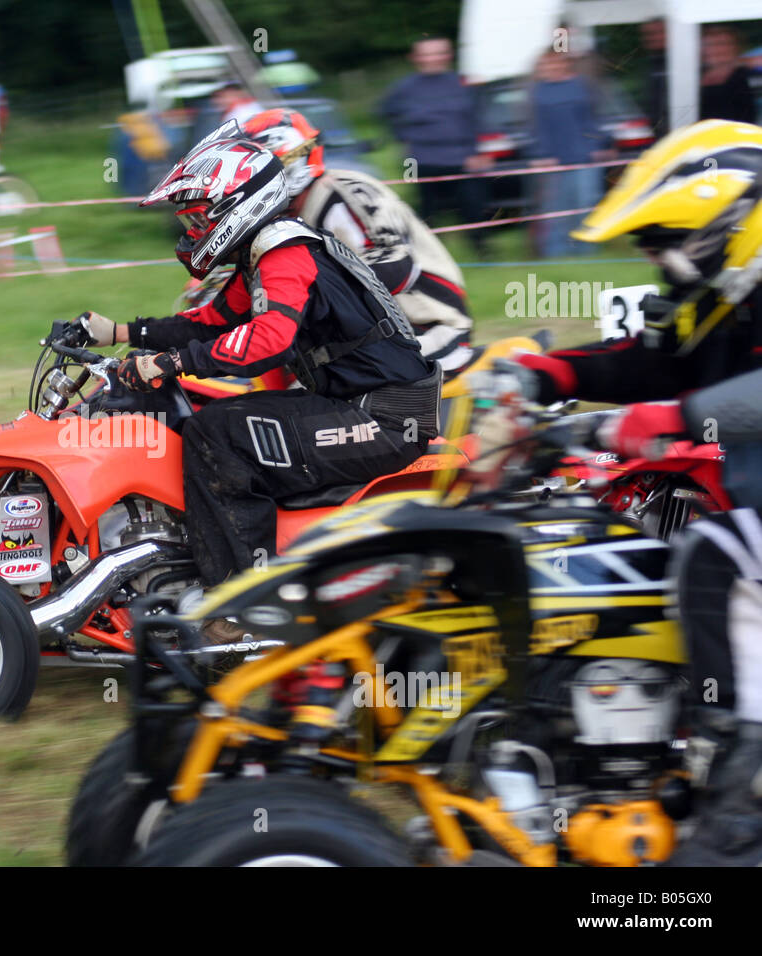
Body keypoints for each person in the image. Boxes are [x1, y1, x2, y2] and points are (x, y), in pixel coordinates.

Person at [505, 120, 762, 864]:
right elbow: (650, 361)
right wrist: (547, 374)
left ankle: (736, 789)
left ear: (730, 225)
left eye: (664, 240)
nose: (658, 258)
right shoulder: (726, 300)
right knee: (618, 513)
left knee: (717, 558)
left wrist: (670, 418)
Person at [80, 123, 441, 587]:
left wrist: (172, 363)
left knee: (217, 434)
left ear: (233, 204)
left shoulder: (285, 252)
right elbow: (211, 321)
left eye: (197, 219)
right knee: (207, 414)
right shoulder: (266, 249)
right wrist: (120, 332)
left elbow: (271, 340)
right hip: (358, 404)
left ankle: (239, 599)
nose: (192, 232)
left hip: (384, 419)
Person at [243, 109, 474, 372]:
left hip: (429, 329)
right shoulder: (286, 217)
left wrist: (308, 300)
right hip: (372, 339)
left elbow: (395, 268)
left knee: (309, 397)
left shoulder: (345, 194)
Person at [379, 36, 491, 258]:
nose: (433, 59)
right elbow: (385, 113)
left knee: (474, 207)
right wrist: (403, 137)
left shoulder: (463, 83)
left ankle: (482, 251)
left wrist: (481, 152)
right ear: (416, 58)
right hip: (419, 159)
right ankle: (429, 256)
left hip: (463, 157)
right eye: (427, 54)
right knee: (426, 209)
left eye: (439, 53)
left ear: (448, 56)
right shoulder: (404, 88)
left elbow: (478, 119)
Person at [526, 49, 614, 259]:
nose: (551, 68)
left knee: (585, 207)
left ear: (565, 63)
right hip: (552, 163)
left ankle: (586, 253)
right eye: (546, 65)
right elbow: (537, 128)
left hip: (583, 159)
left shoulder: (581, 86)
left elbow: (591, 120)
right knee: (555, 212)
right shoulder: (539, 92)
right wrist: (540, 154)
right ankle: (555, 256)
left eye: (555, 63)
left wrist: (600, 145)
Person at [701, 26, 756, 124]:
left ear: (736, 47)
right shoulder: (690, 74)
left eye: (722, 44)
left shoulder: (746, 75)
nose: (716, 49)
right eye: (710, 44)